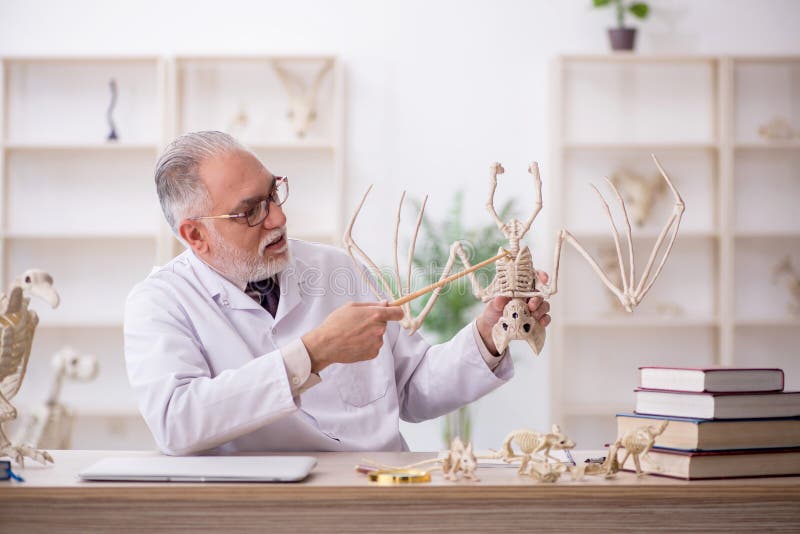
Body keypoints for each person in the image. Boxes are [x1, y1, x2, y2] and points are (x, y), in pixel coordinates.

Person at [124, 131, 551, 455]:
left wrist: (489, 335)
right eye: (251, 210)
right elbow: (177, 422)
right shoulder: (160, 303)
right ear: (195, 234)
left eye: (273, 193)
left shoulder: (332, 267)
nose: (278, 216)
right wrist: (313, 352)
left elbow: (413, 387)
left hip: (381, 494)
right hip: (264, 511)